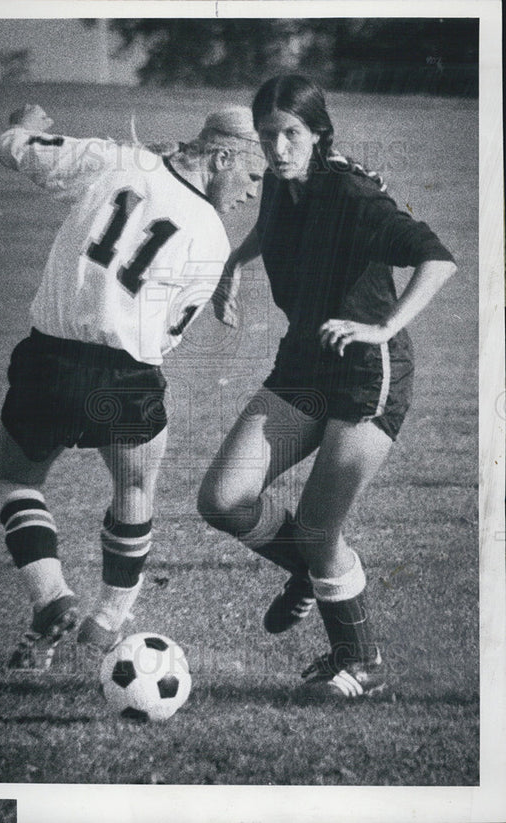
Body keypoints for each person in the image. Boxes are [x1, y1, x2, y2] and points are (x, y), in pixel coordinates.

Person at [198, 74, 457, 700]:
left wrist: (383, 327)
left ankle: (362, 662)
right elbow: (273, 228)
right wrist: (235, 263)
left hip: (367, 374)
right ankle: (315, 571)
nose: (278, 148)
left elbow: (438, 257)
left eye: (291, 133)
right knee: (223, 499)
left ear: (318, 132)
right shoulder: (279, 182)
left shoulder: (351, 193)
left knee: (318, 528)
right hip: (302, 363)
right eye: (268, 135)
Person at [0, 103, 265, 670]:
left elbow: (14, 149)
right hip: (129, 375)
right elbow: (170, 336)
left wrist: (25, 128)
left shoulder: (115, 161)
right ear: (221, 157)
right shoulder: (212, 239)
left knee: (18, 480)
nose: (253, 193)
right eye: (252, 175)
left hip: (49, 359)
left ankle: (49, 595)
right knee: (135, 488)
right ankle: (108, 620)